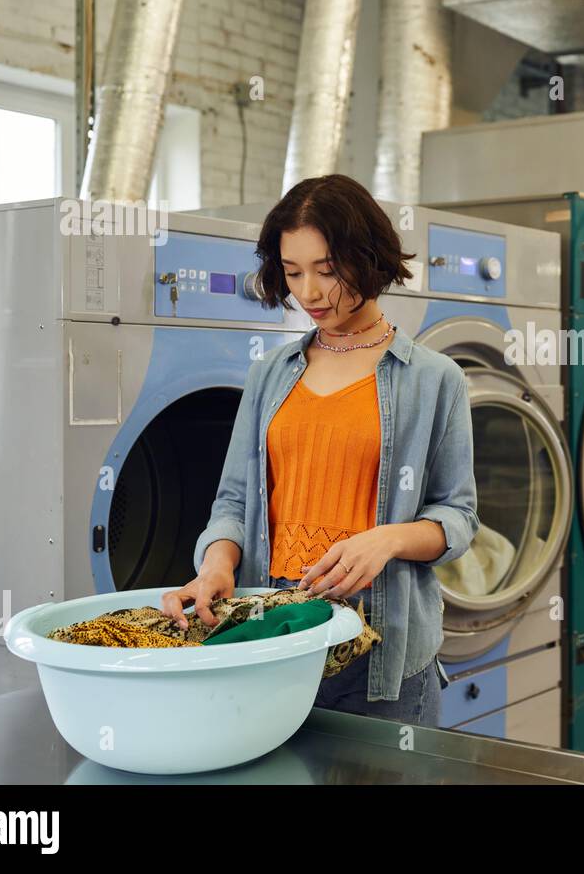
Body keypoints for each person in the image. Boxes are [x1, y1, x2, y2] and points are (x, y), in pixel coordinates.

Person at [162, 174, 479, 725]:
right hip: (273, 634)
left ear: (369, 257)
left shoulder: (433, 379)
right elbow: (234, 501)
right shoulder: (269, 375)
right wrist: (216, 562)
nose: (309, 292)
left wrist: (387, 540)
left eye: (327, 271)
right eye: (293, 272)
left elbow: (459, 516)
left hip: (382, 650)